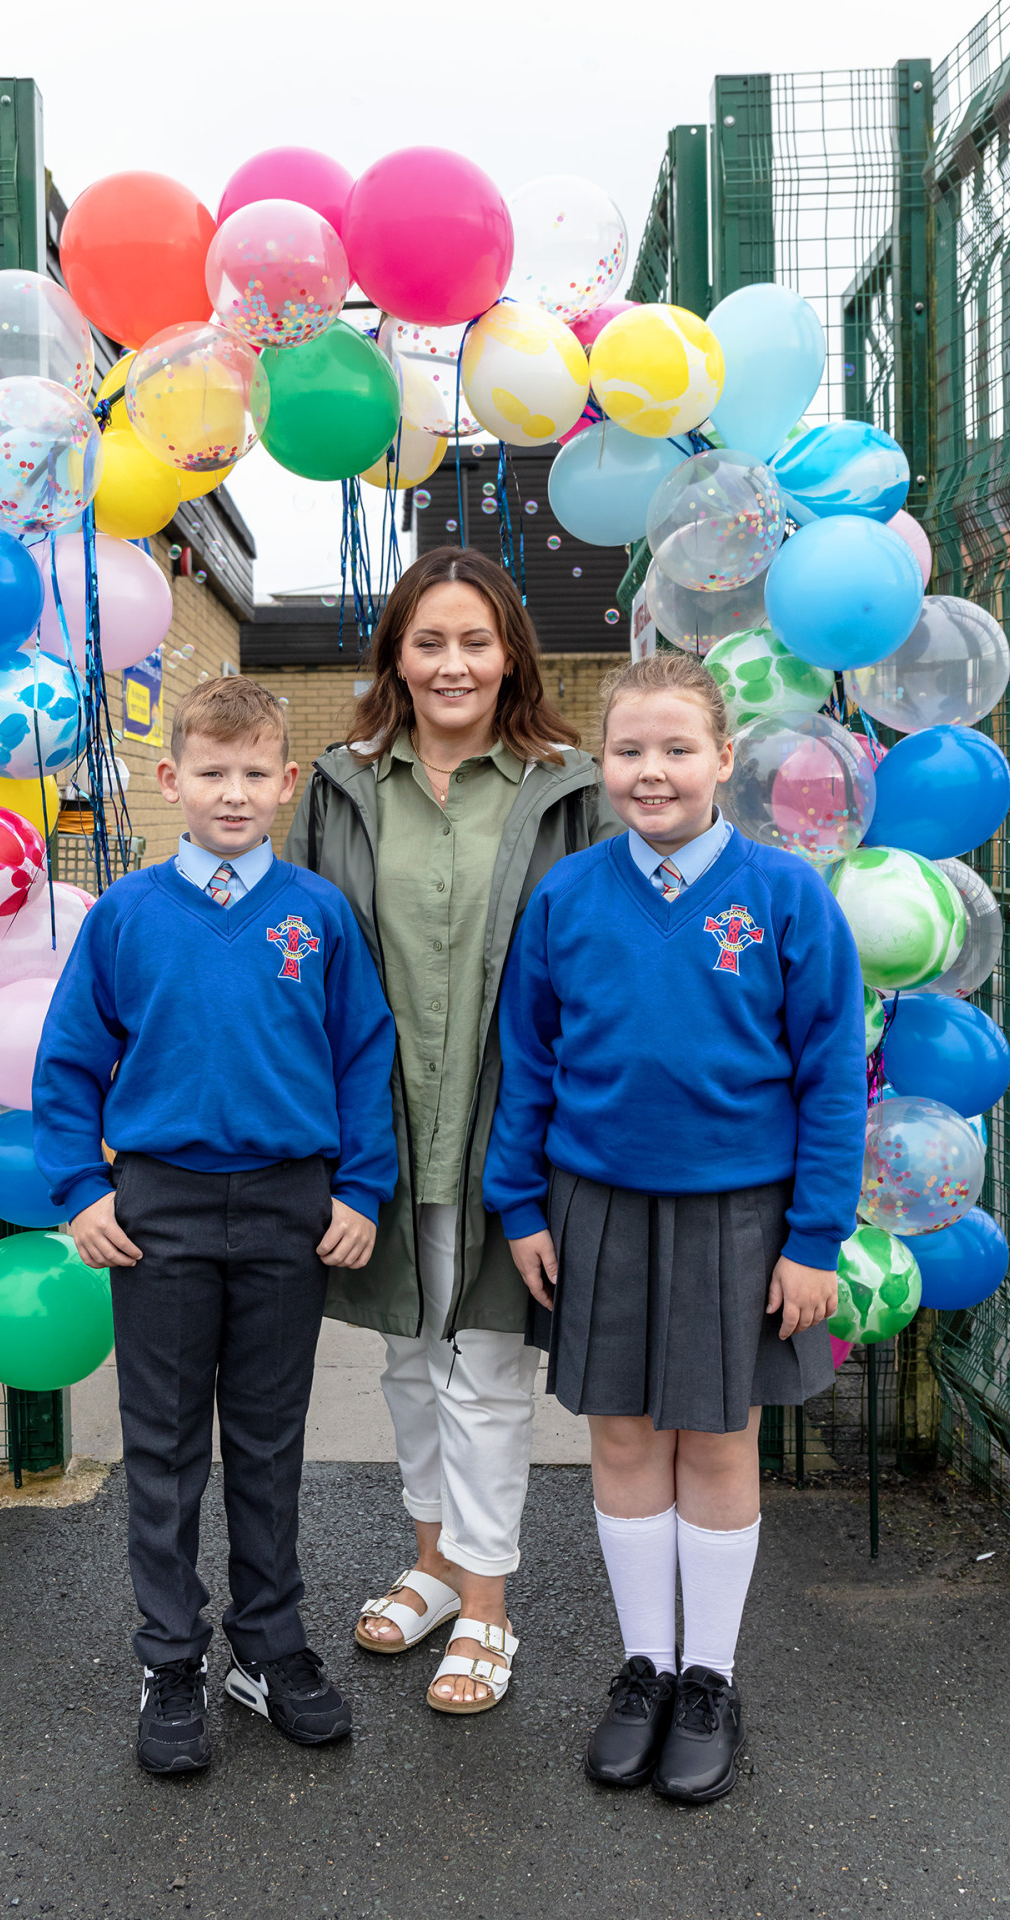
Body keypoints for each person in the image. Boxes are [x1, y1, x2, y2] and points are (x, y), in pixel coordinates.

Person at [484, 649, 865, 1801]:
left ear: (724, 758)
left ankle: (711, 1676)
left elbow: (832, 1079)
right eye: (629, 750)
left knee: (718, 1440)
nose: (652, 772)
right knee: (620, 1439)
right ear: (600, 763)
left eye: (677, 749)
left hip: (738, 1214)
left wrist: (814, 1238)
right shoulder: (566, 897)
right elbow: (527, 1064)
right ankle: (645, 1667)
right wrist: (518, 1203)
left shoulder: (786, 894)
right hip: (595, 1204)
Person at [32, 677, 398, 1776]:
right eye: (211, 772)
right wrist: (79, 1189)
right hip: (161, 1212)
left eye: (253, 773)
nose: (232, 793)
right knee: (165, 1446)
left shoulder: (317, 914)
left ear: (286, 783)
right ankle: (170, 1658)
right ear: (171, 779)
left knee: (269, 1443)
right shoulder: (126, 915)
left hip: (291, 1207)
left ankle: (269, 1646)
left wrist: (361, 1188)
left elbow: (362, 1055)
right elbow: (69, 1060)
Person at [284, 545, 621, 1714]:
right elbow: (305, 960)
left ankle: (487, 1606)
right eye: (428, 641)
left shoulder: (567, 790)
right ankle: (431, 1563)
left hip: (506, 1128)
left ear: (512, 654)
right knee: (409, 1357)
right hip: (381, 1127)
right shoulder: (341, 784)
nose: (453, 663)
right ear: (395, 655)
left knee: (484, 1365)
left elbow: (597, 971)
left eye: (476, 640)